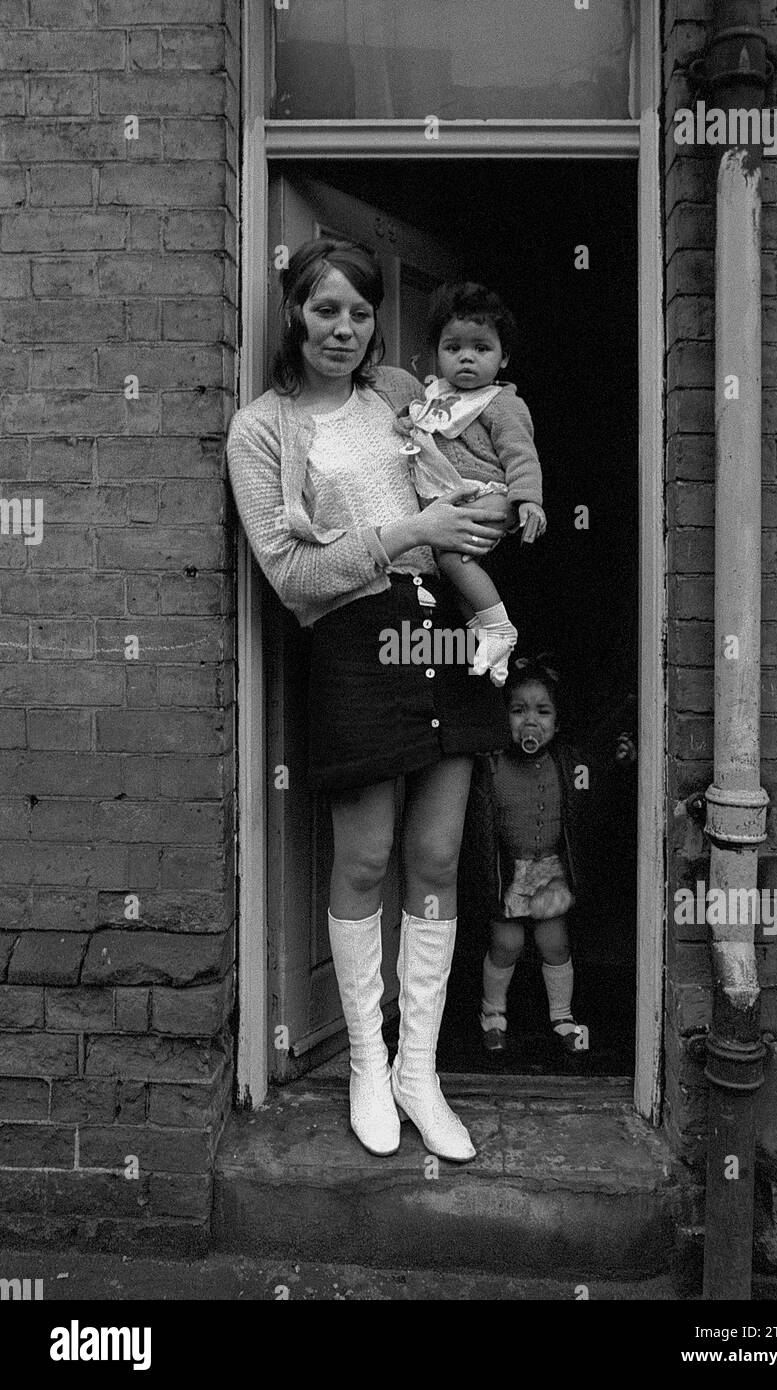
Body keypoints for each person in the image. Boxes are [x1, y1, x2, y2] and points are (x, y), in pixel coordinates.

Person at [226, 238, 513, 1163]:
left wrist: (481, 512)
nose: (343, 329)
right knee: (366, 858)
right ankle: (365, 1059)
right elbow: (292, 576)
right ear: (295, 316)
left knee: (435, 855)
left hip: (443, 631)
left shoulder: (398, 392)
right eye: (324, 312)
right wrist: (407, 532)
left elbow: (461, 484)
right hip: (354, 641)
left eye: (358, 313)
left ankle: (418, 1073)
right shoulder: (261, 430)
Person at [394, 283, 546, 687]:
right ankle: (487, 638)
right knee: (457, 575)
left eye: (481, 348)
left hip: (487, 495)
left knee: (450, 558)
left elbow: (520, 455)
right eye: (453, 347)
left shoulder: (501, 404)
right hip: (453, 499)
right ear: (437, 353)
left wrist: (528, 500)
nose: (466, 357)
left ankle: (498, 627)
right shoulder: (437, 395)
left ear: (504, 357)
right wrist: (407, 422)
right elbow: (418, 420)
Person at [463, 657, 587, 1057]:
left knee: (555, 944)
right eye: (518, 711)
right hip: (508, 875)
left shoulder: (565, 762)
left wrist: (623, 755)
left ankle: (563, 1017)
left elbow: (595, 767)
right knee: (506, 944)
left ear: (558, 720)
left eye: (542, 711)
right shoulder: (491, 764)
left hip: (550, 872)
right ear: (504, 717)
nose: (530, 722)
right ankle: (493, 1014)